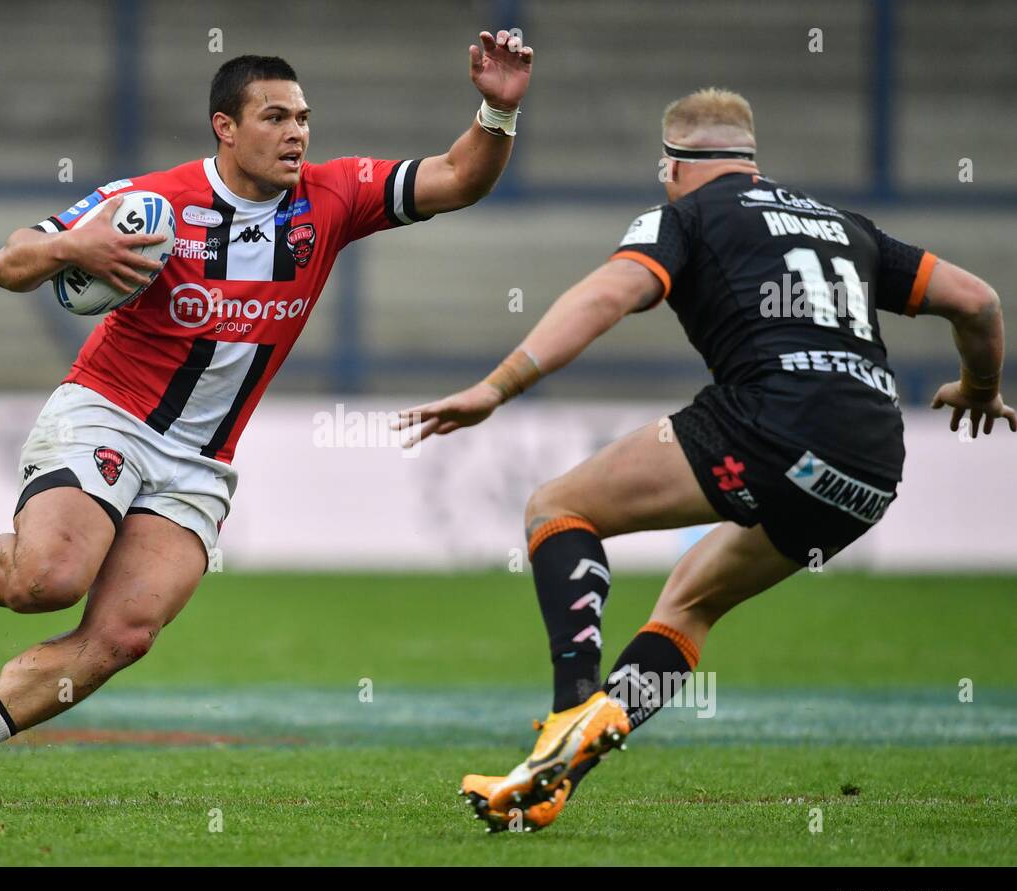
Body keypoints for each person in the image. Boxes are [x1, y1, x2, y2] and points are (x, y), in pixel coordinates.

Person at [0, 33, 535, 814]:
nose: (297, 134)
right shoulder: (153, 203)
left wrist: (497, 108)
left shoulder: (333, 197)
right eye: (277, 117)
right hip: (109, 415)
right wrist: (75, 244)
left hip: (199, 460)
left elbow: (460, 178)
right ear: (225, 126)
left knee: (124, 637)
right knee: (48, 579)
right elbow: (9, 262)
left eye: (305, 119)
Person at [397, 87, 1014, 833]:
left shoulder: (683, 215)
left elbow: (607, 295)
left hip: (774, 423)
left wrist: (499, 386)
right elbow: (977, 301)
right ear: (749, 160)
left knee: (557, 508)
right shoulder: (843, 225)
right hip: (872, 463)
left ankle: (568, 716)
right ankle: (555, 778)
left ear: (675, 165)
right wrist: (981, 386)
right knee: (691, 603)